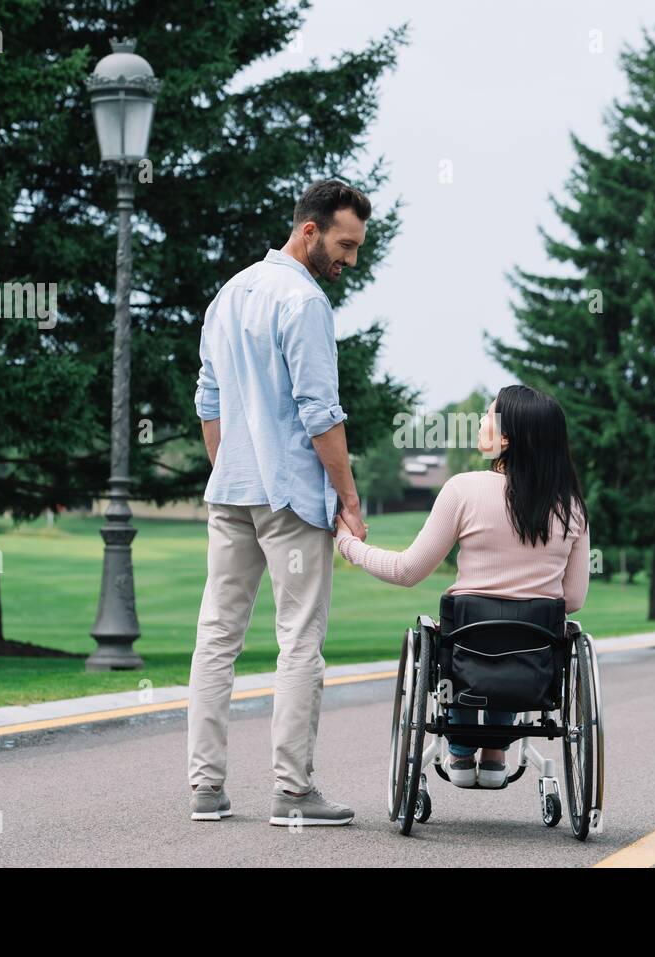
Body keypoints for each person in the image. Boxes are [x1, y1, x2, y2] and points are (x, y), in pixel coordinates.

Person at [186, 179, 372, 826]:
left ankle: (205, 788)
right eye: (345, 246)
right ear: (311, 230)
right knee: (298, 642)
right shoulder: (306, 302)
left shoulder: (228, 293)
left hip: (231, 490)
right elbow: (321, 415)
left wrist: (230, 466)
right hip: (290, 497)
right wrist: (348, 498)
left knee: (216, 638)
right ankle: (293, 791)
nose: (349, 261)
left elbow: (208, 402)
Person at [335, 385, 590, 789]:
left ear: (506, 438)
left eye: (488, 415)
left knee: (466, 636)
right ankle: (495, 754)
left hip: (467, 646)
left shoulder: (464, 489)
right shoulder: (571, 505)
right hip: (534, 659)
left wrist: (349, 547)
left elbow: (407, 570)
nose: (479, 421)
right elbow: (572, 599)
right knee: (518, 635)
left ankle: (460, 751)